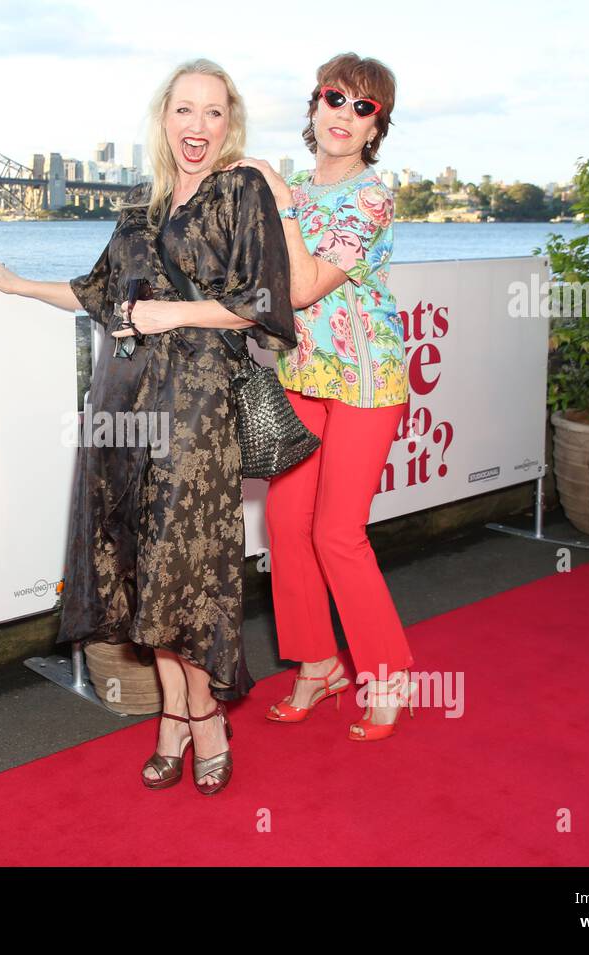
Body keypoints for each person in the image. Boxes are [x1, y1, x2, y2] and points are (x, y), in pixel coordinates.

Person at [0, 58, 296, 793]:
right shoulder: (135, 209)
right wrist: (17, 285)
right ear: (163, 119)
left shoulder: (239, 193)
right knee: (148, 569)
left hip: (200, 413)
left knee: (190, 570)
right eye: (185, 110)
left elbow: (267, 302)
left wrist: (174, 312)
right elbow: (95, 294)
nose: (198, 127)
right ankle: (172, 720)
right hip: (127, 412)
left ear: (230, 123)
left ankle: (204, 718)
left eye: (214, 113)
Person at [230, 53, 416, 741]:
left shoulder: (371, 197)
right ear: (314, 107)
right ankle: (316, 665)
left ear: (376, 128)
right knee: (284, 525)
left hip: (368, 384)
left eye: (363, 108)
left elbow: (305, 287)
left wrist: (276, 191)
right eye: (335, 98)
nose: (345, 114)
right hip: (303, 378)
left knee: (337, 533)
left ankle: (388, 675)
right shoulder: (294, 195)